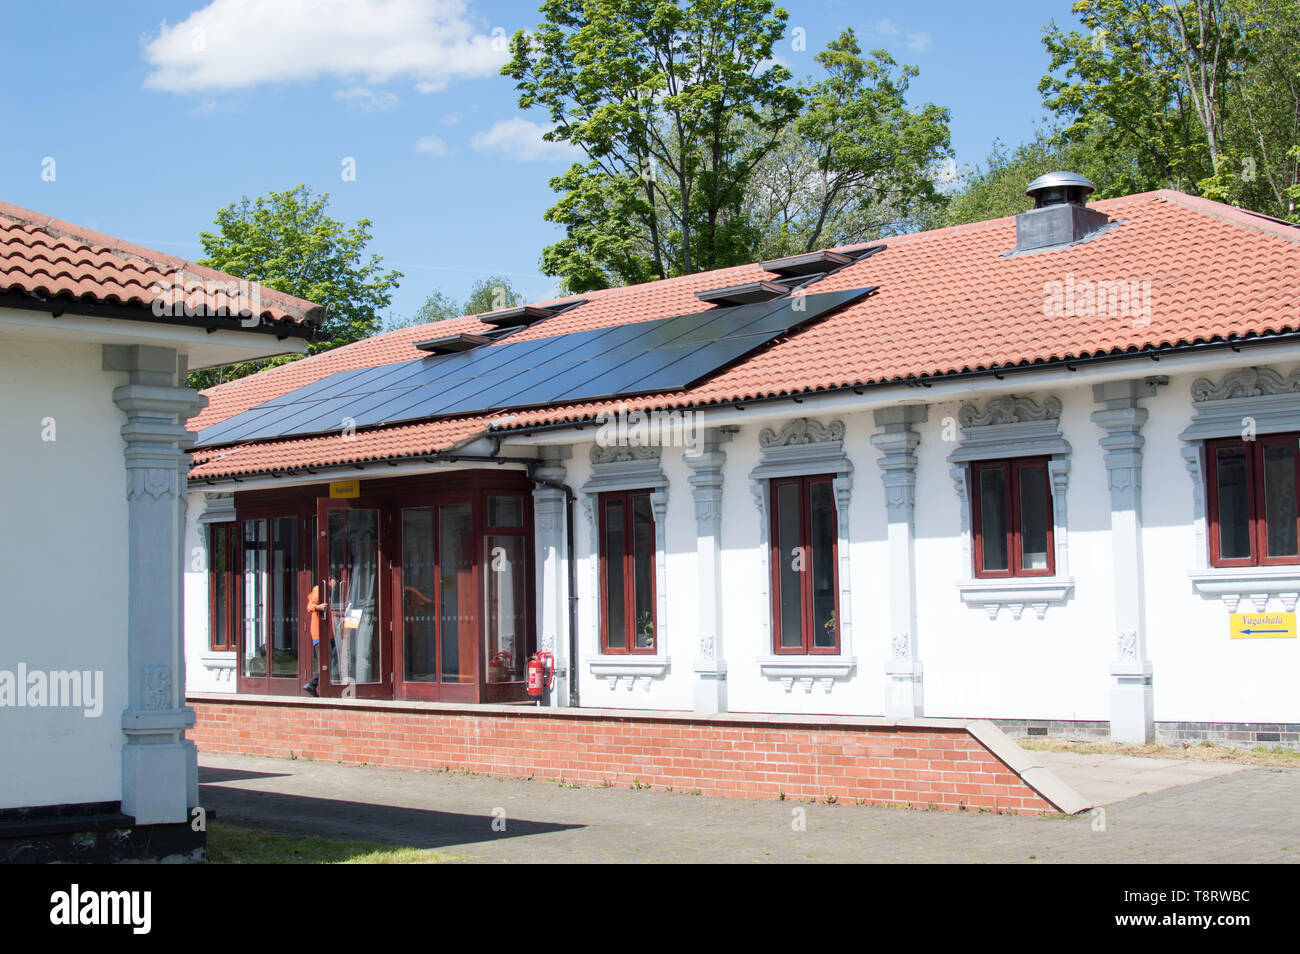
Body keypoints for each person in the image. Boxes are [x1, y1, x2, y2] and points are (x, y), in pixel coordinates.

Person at [303, 584, 324, 696]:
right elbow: (310, 606)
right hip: (320, 634)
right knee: (326, 662)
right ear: (331, 579)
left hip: (327, 634)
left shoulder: (327, 592)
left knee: (331, 660)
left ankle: (316, 684)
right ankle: (312, 684)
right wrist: (318, 607)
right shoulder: (319, 589)